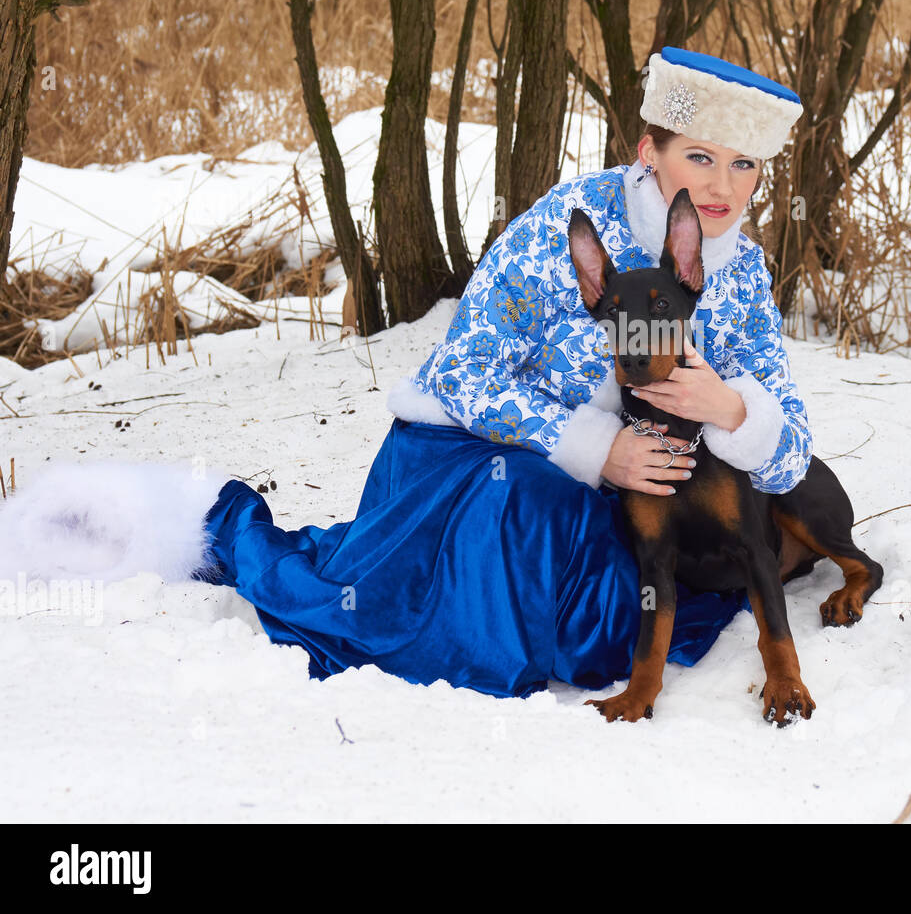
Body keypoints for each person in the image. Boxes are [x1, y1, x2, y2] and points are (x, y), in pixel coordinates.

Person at [1, 46, 812, 702]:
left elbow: (792, 449)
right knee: (531, 512)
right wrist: (596, 444)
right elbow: (462, 373)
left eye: (743, 167)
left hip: (608, 496)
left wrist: (734, 410)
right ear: (649, 149)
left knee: (613, 599)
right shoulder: (567, 230)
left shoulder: (737, 273)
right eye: (699, 157)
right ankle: (191, 522)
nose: (719, 186)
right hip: (468, 455)